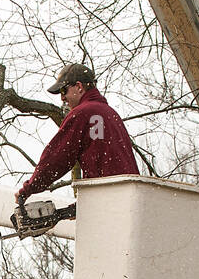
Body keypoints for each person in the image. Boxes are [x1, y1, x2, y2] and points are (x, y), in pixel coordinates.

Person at [14, 63, 139, 207]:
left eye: (64, 90)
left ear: (79, 86)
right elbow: (105, 160)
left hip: (106, 195)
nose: (62, 98)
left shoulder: (82, 113)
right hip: (127, 195)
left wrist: (29, 188)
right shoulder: (110, 114)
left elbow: (57, 158)